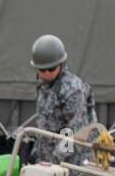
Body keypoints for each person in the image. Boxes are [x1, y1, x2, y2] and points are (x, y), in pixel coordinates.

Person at [30, 34, 95, 164]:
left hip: (70, 165)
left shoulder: (73, 89)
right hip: (47, 160)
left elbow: (75, 133)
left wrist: (54, 160)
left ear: (61, 64)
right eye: (42, 70)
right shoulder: (43, 85)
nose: (46, 73)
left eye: (51, 68)